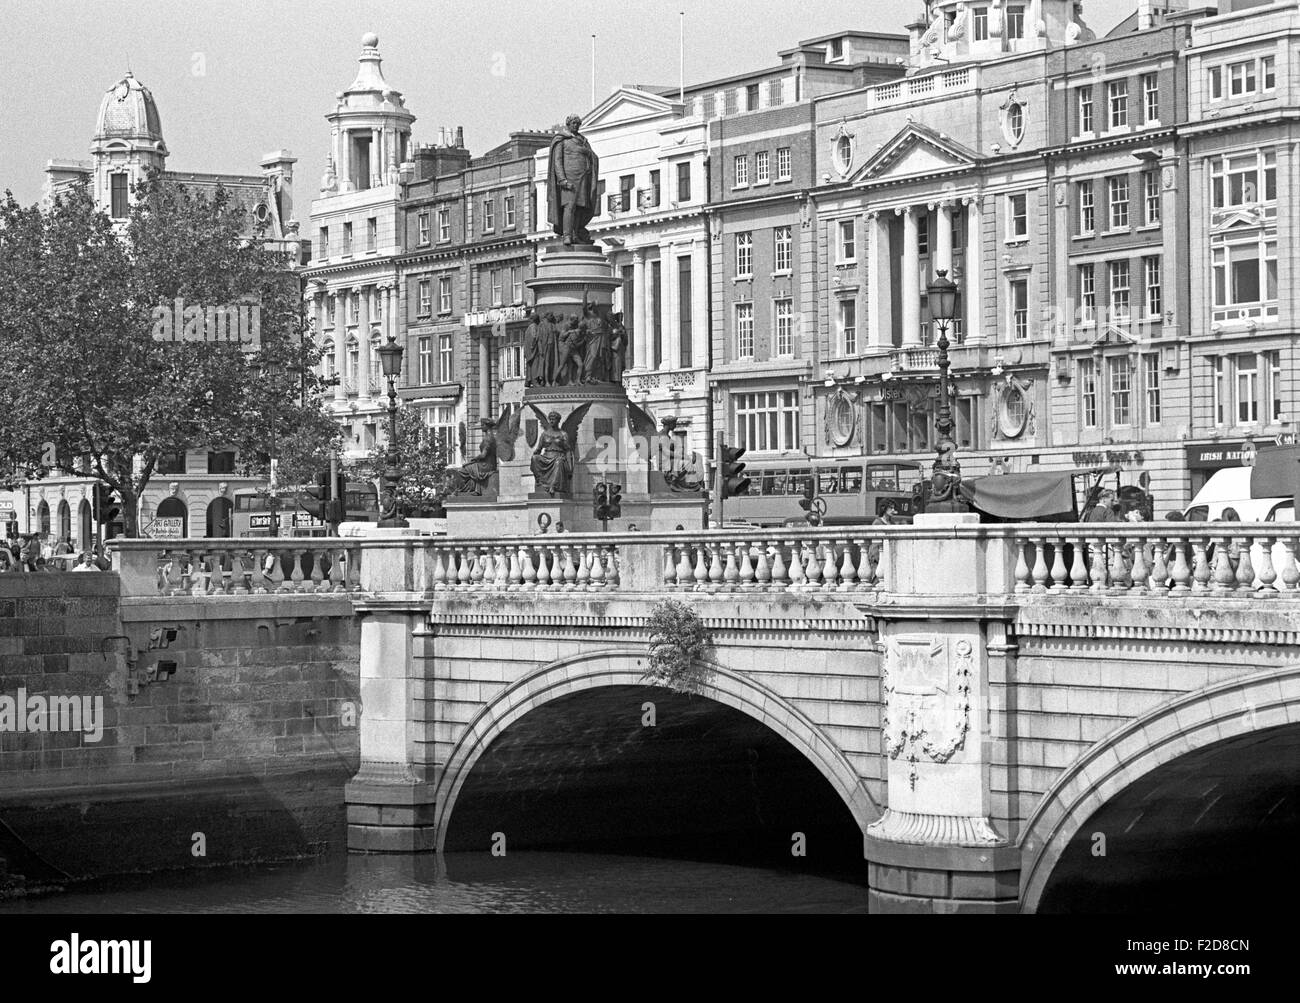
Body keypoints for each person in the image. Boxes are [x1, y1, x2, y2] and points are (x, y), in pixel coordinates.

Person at [546, 114, 600, 246]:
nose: (576, 126)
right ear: (568, 124)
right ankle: (567, 235)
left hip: (583, 179)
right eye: (573, 123)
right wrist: (562, 180)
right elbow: (557, 161)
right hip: (569, 180)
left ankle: (575, 233)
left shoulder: (583, 140)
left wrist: (588, 154)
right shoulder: (562, 140)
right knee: (569, 207)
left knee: (580, 208)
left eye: (578, 123)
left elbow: (592, 156)